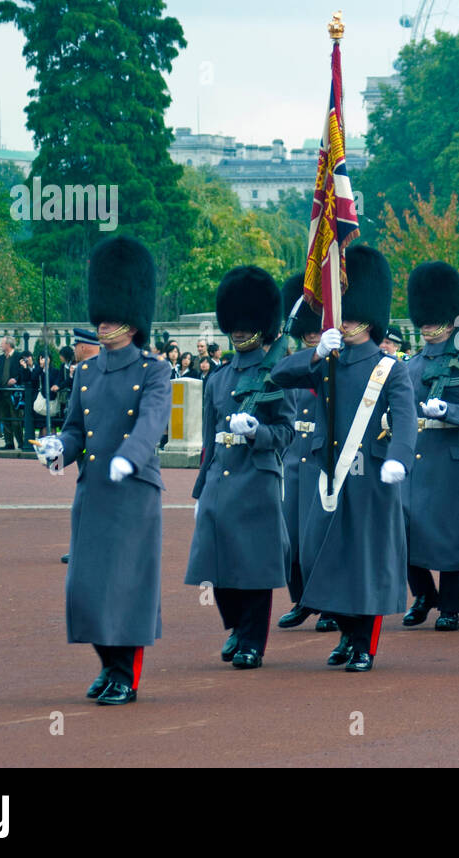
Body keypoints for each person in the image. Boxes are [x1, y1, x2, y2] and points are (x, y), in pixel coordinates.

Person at [33, 236, 171, 704]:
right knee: (87, 588)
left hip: (133, 493)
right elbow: (76, 431)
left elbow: (153, 421)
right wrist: (57, 449)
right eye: (102, 315)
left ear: (131, 322)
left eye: (112, 316)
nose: (103, 322)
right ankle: (109, 664)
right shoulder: (86, 374)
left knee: (125, 587)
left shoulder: (155, 370)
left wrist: (128, 456)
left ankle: (124, 675)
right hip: (93, 493)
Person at [271, 245, 417, 672]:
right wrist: (316, 353)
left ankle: (364, 644)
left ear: (369, 320)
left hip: (371, 475)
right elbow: (280, 375)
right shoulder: (327, 361)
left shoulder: (391, 369)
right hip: (329, 477)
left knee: (364, 561)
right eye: (343, 315)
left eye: (351, 316)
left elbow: (405, 421)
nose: (345, 322)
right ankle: (348, 636)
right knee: (326, 556)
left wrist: (401, 459)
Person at [185, 266, 294, 670]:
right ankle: (235, 625)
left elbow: (286, 431)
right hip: (221, 477)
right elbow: (208, 441)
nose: (238, 332)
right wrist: (199, 491)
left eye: (246, 325)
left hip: (257, 478)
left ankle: (252, 642)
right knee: (215, 564)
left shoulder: (276, 372)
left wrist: (256, 432)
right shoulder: (219, 378)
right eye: (234, 324)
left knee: (254, 567)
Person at [400, 261, 459, 632]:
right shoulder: (412, 364)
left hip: (451, 458)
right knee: (405, 528)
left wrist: (449, 410)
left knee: (450, 535)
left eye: (435, 320)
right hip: (417, 455)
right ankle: (423, 594)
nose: (428, 326)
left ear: (451, 321)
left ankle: (449, 606)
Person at [275, 274, 337, 634]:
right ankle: (303, 599)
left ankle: (327, 602)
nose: (313, 337)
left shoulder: (335, 362)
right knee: (293, 538)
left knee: (321, 537)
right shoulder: (301, 360)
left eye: (318, 332)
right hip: (296, 456)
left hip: (324, 457)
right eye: (309, 333)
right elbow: (280, 376)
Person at [0, 336, 25, 450]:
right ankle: (9, 443)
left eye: (2, 343)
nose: (0, 345)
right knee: (5, 418)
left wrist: (16, 379)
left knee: (16, 419)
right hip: (2, 392)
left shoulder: (18, 356)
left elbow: (22, 372)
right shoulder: (1, 358)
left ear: (8, 345)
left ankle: (21, 442)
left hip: (13, 393)